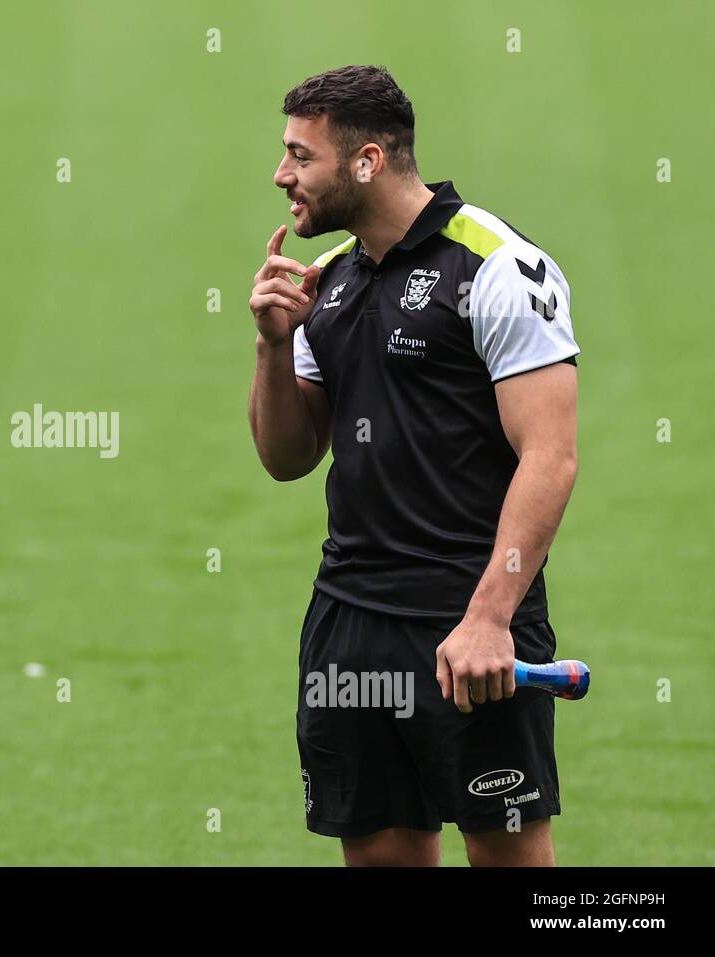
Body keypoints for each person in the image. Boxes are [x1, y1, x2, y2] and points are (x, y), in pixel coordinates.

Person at [247, 65, 580, 866]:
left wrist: (491, 617)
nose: (281, 175)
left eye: (301, 156)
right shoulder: (334, 281)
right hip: (351, 623)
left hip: (467, 617)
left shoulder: (498, 267)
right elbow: (288, 457)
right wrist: (273, 344)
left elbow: (551, 454)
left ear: (366, 161)